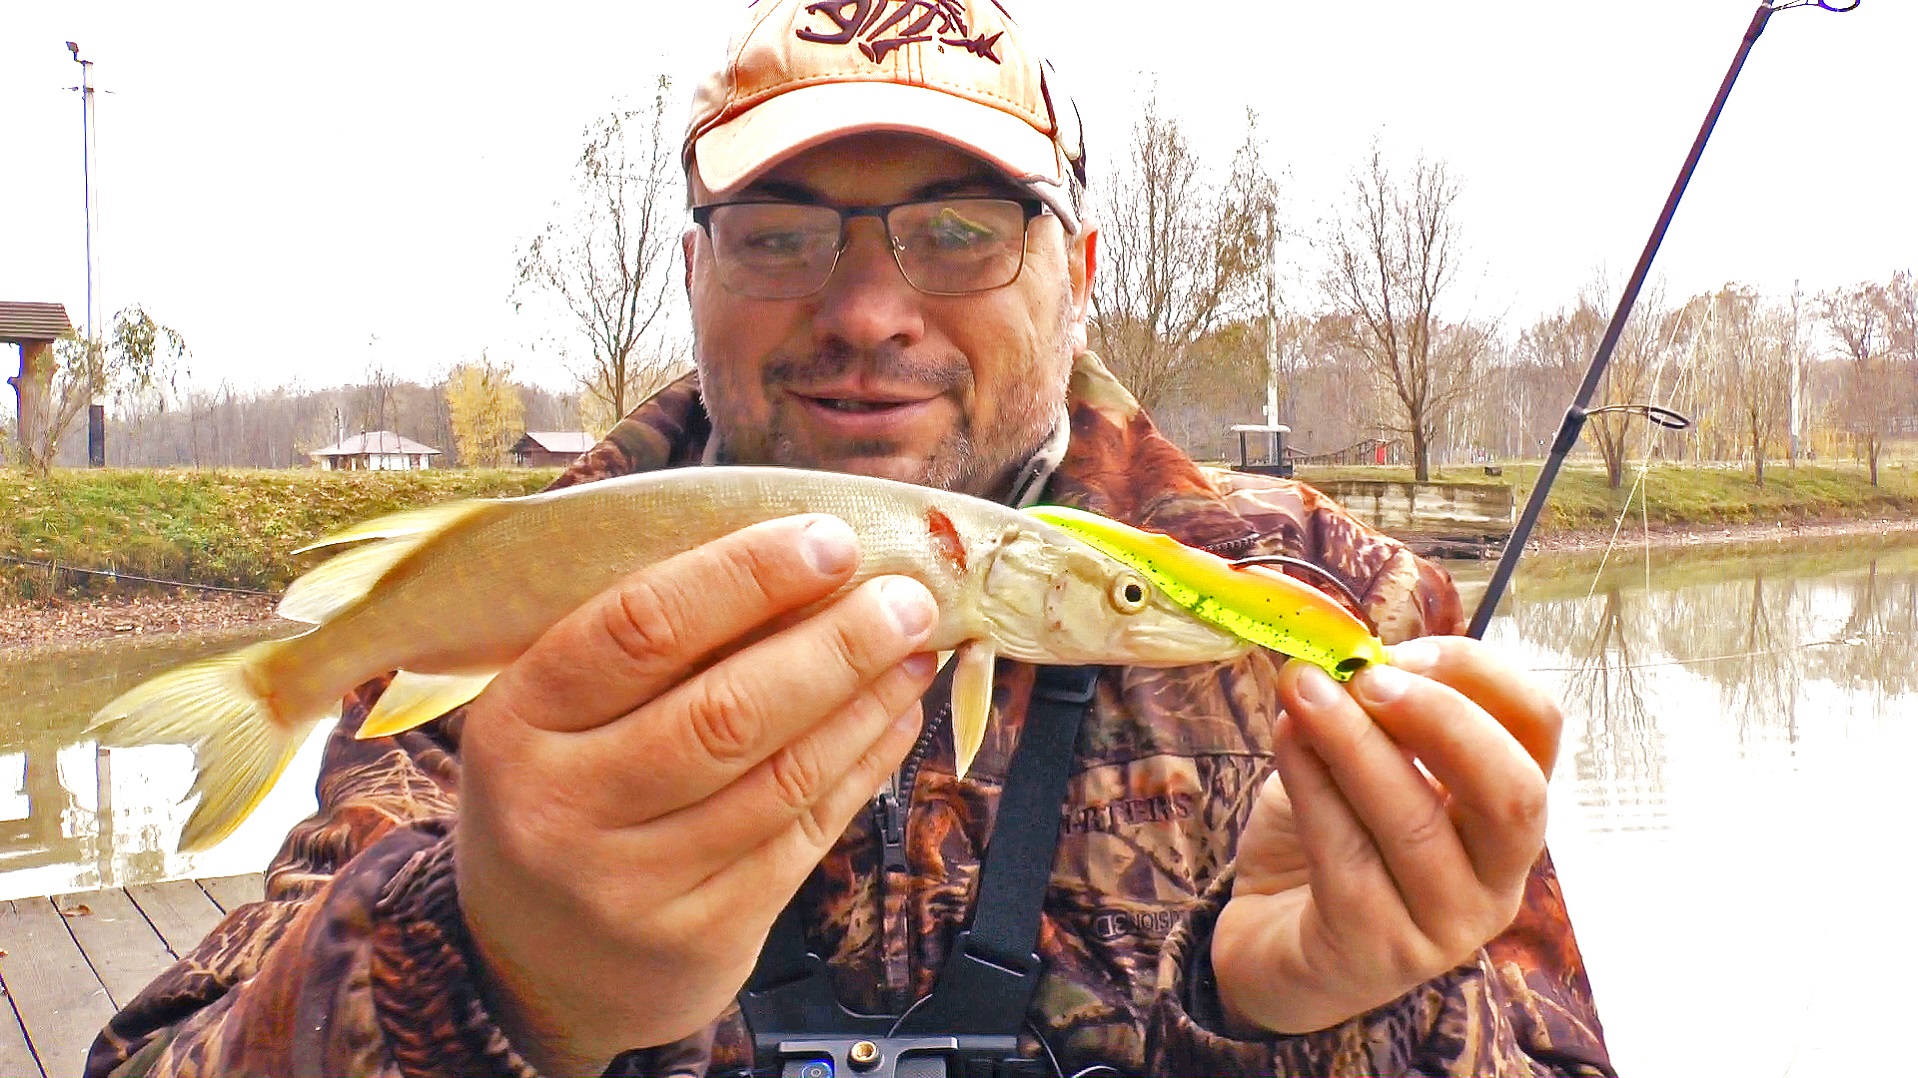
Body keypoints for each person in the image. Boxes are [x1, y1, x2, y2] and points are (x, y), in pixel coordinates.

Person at [88, 2, 1612, 1075]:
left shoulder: (1343, 599)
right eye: (779, 232)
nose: (869, 309)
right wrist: (486, 968)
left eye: (958, 230)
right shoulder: (513, 603)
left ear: (1078, 269)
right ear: (695, 273)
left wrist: (1329, 1016)